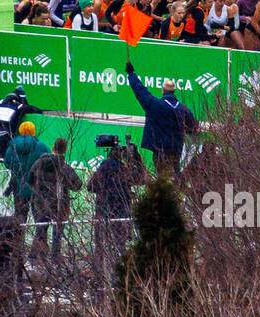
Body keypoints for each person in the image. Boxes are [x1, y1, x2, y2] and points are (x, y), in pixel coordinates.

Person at [125, 61, 198, 178]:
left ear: (163, 90)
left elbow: (140, 91)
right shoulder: (184, 110)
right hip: (176, 151)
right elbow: (193, 128)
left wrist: (131, 74)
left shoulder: (155, 105)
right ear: (174, 91)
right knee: (173, 176)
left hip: (160, 151)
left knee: (164, 180)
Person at [87, 137, 145, 265]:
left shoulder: (103, 168)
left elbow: (90, 186)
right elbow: (141, 179)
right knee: (120, 245)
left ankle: (100, 268)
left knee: (100, 245)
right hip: (120, 210)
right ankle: (121, 268)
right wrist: (136, 158)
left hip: (102, 210)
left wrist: (104, 188)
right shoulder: (124, 170)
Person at [28, 137, 82, 260]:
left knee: (40, 230)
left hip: (40, 202)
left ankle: (33, 257)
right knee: (57, 233)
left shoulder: (39, 163)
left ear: (53, 147)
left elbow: (30, 179)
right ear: (65, 150)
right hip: (59, 203)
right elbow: (77, 185)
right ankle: (55, 258)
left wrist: (37, 191)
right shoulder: (65, 168)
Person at [4, 121, 50, 224]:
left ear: (20, 130)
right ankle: (40, 240)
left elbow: (7, 163)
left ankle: (18, 239)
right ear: (33, 131)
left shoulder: (13, 146)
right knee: (40, 221)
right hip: (37, 187)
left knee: (20, 219)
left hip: (18, 186)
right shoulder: (41, 146)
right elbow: (49, 163)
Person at [0, 86, 43, 159]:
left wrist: (3, 101)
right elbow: (35, 109)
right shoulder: (18, 106)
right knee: (2, 163)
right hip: (2, 136)